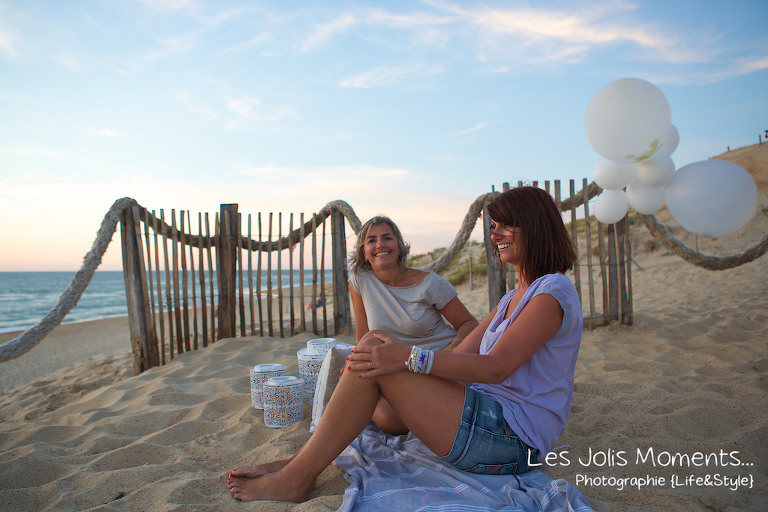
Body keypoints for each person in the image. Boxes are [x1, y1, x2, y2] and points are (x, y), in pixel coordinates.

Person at [228, 186, 583, 503]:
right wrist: (401, 359)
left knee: (373, 363)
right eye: (493, 227)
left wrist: (409, 359)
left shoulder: (552, 292)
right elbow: (462, 354)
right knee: (371, 354)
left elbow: (496, 367)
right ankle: (298, 465)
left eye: (506, 225)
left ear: (535, 225)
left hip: (513, 441)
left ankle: (295, 477)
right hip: (488, 417)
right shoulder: (512, 298)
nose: (496, 234)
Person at [348, 215, 479, 433]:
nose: (380, 244)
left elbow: (469, 323)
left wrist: (450, 353)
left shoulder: (430, 283)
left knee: (387, 418)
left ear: (399, 246)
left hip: (436, 366)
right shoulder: (359, 279)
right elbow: (363, 333)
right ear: (364, 252)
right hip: (396, 368)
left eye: (387, 238)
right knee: (374, 410)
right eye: (371, 240)